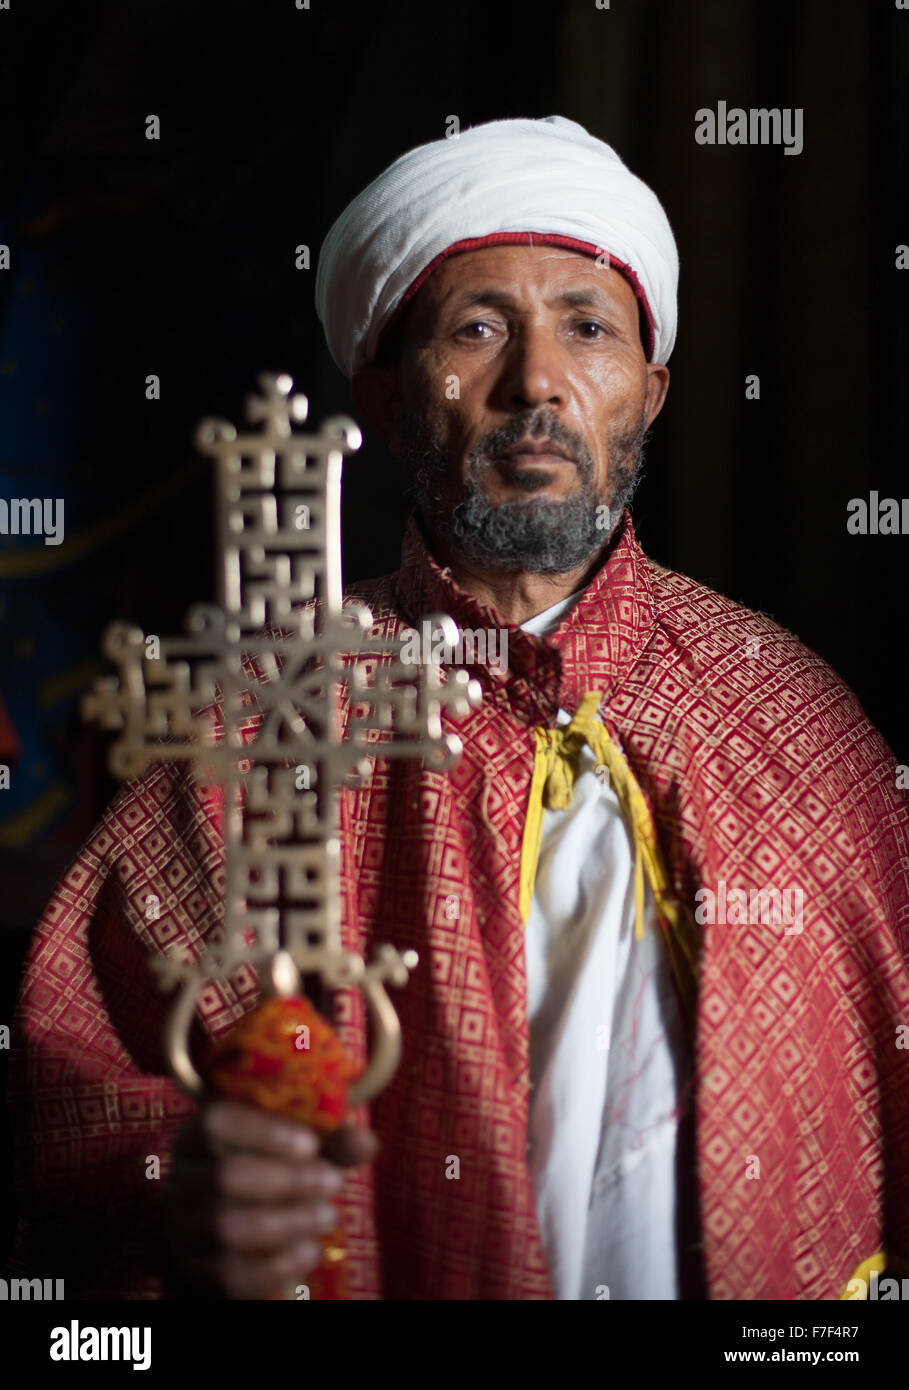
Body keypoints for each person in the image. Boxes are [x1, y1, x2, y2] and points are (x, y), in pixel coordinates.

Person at [8, 116, 909, 1301]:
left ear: (650, 389)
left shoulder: (793, 717)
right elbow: (79, 1116)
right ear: (382, 401)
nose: (536, 380)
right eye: (479, 328)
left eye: (587, 328)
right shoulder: (258, 729)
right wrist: (182, 1203)